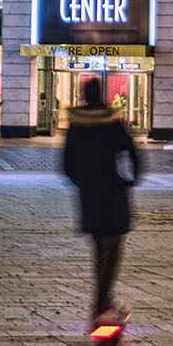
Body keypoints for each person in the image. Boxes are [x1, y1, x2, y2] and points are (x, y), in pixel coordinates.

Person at [62, 76, 141, 328]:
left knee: (100, 250)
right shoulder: (111, 120)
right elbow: (132, 150)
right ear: (101, 93)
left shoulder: (76, 124)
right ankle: (101, 304)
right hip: (113, 193)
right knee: (113, 249)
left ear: (84, 94)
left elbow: (66, 164)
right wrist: (131, 179)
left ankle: (102, 303)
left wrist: (82, 182)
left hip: (90, 195)